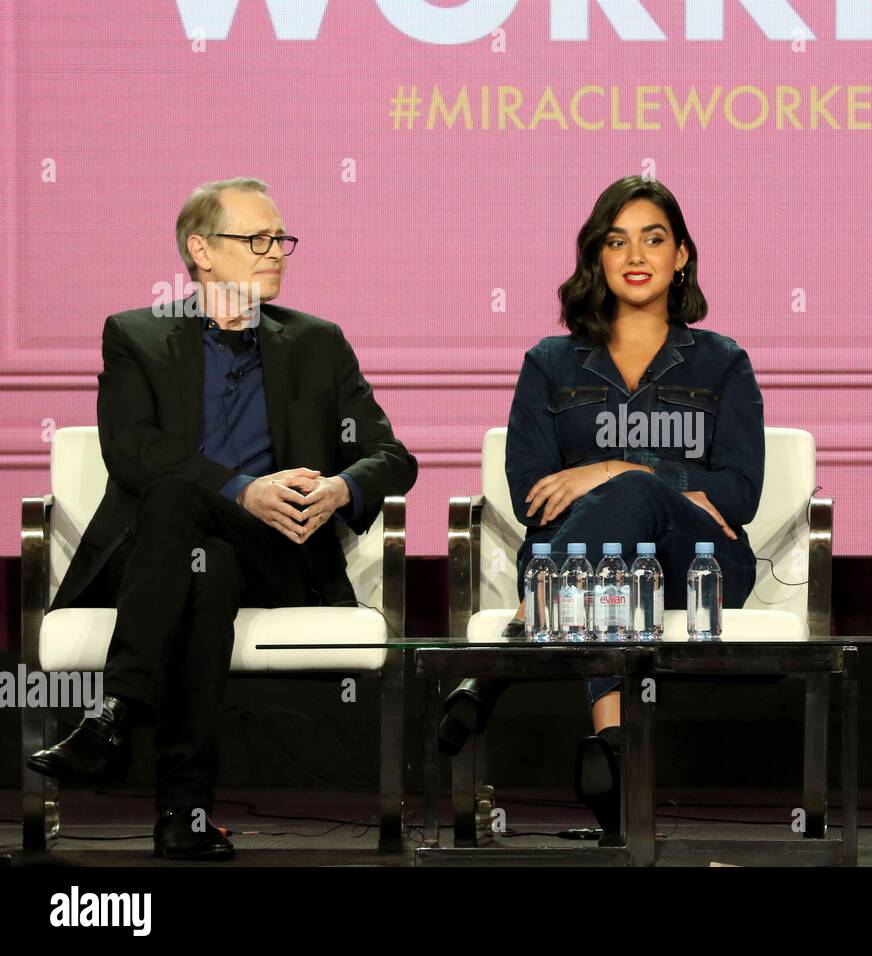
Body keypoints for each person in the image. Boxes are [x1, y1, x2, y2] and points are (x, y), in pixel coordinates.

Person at [26, 178, 418, 860]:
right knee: (200, 556)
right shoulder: (136, 336)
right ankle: (185, 816)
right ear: (200, 250)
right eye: (255, 239)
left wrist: (337, 489)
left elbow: (392, 457)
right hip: (168, 552)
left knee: (190, 516)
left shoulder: (317, 343)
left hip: (283, 550)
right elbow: (134, 454)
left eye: (280, 240)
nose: (275, 253)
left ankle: (118, 710)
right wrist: (241, 489)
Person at [437, 175, 764, 841]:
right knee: (613, 557)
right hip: (595, 560)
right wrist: (668, 480)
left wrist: (619, 469)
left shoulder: (722, 362)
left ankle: (505, 657)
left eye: (654, 238)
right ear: (597, 257)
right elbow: (532, 490)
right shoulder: (551, 362)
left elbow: (738, 492)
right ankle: (610, 760)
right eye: (617, 240)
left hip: (700, 563)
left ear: (681, 257)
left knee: (633, 496)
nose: (636, 254)